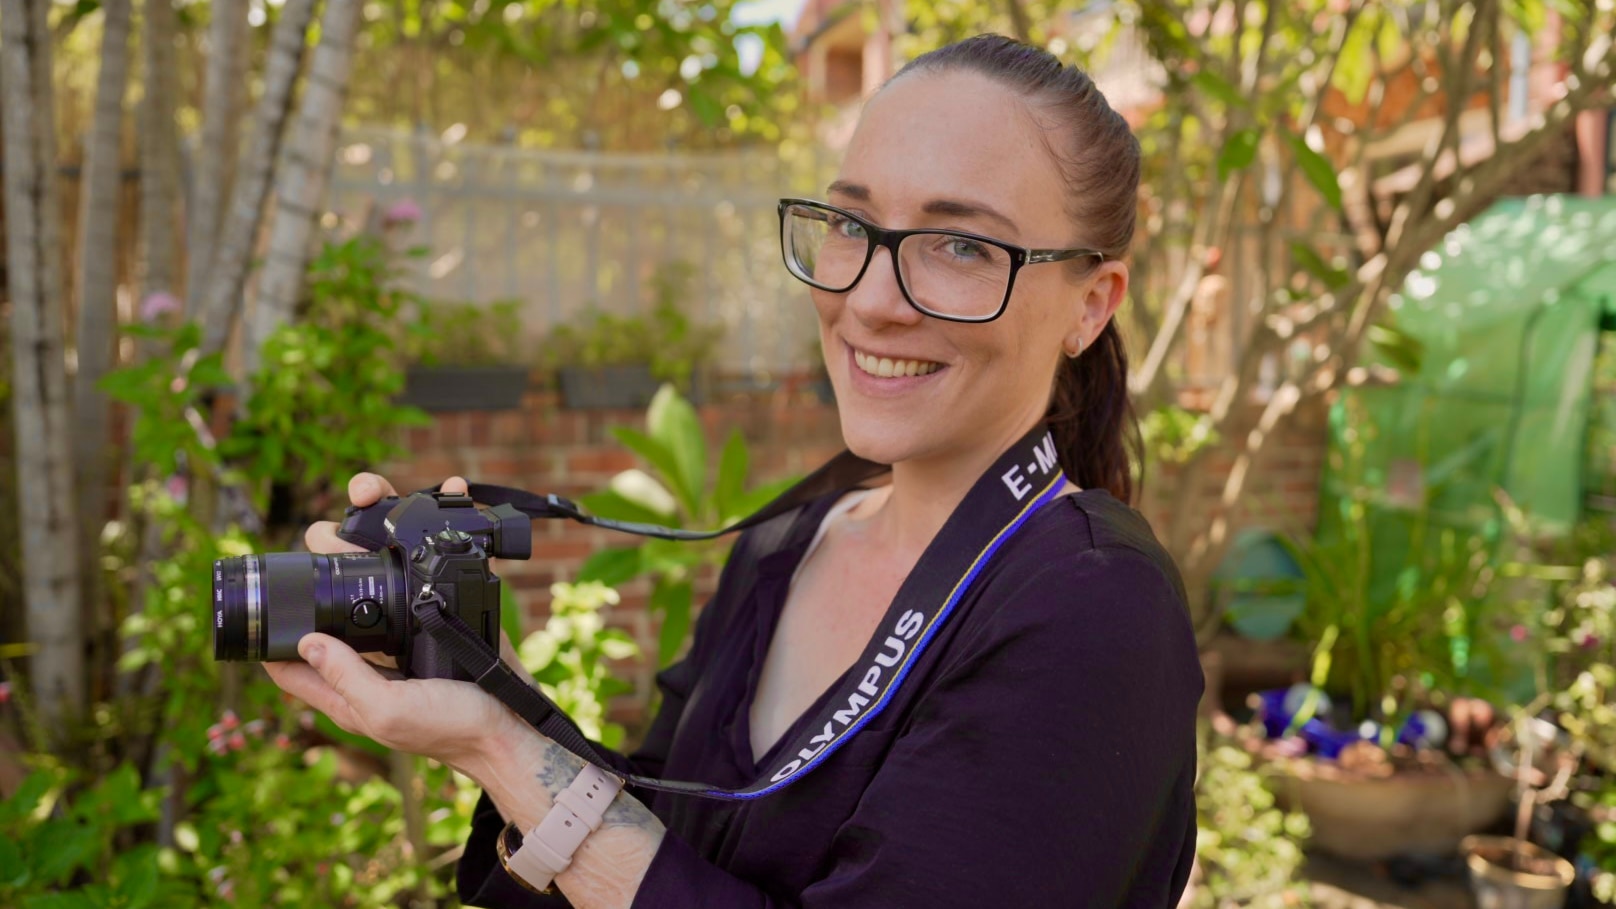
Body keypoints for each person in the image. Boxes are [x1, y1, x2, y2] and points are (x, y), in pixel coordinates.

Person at [266, 34, 1203, 908]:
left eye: (960, 245)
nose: (871, 300)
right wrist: (488, 696)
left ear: (1091, 304)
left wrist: (506, 750)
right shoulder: (782, 548)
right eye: (852, 224)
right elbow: (655, 857)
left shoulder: (1090, 604)